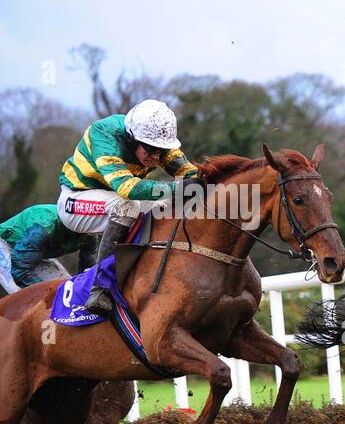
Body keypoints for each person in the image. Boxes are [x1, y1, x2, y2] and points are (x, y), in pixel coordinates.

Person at [57, 98, 202, 313]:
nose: (156, 157)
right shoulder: (104, 134)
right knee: (127, 206)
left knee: (167, 206)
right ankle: (100, 288)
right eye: (151, 150)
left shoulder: (158, 144)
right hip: (76, 202)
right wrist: (178, 188)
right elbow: (126, 187)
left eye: (161, 151)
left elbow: (191, 175)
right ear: (133, 139)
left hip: (115, 198)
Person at [0, 204, 89, 293]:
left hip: (35, 250)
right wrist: (47, 291)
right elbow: (19, 271)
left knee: (68, 287)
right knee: (21, 293)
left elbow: (88, 271)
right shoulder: (42, 230)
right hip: (6, 243)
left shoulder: (90, 235)